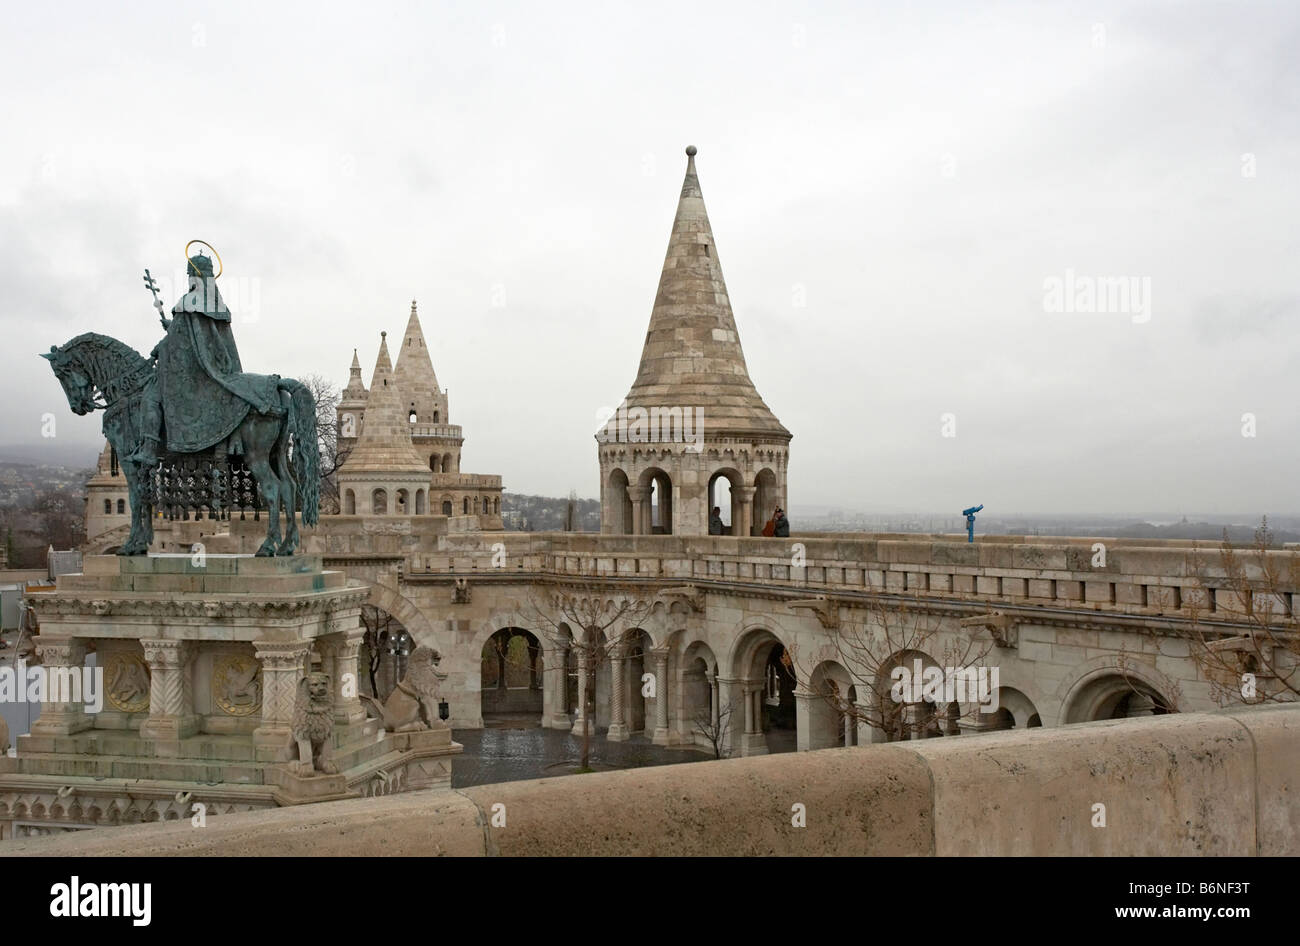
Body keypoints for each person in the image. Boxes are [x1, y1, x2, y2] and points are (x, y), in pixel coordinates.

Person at [127, 251, 282, 466]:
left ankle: (149, 450)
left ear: (192, 276)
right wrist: (174, 328)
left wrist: (157, 349)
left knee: (151, 395)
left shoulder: (188, 302)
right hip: (221, 369)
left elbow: (175, 344)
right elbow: (203, 338)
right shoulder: (219, 306)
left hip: (194, 372)